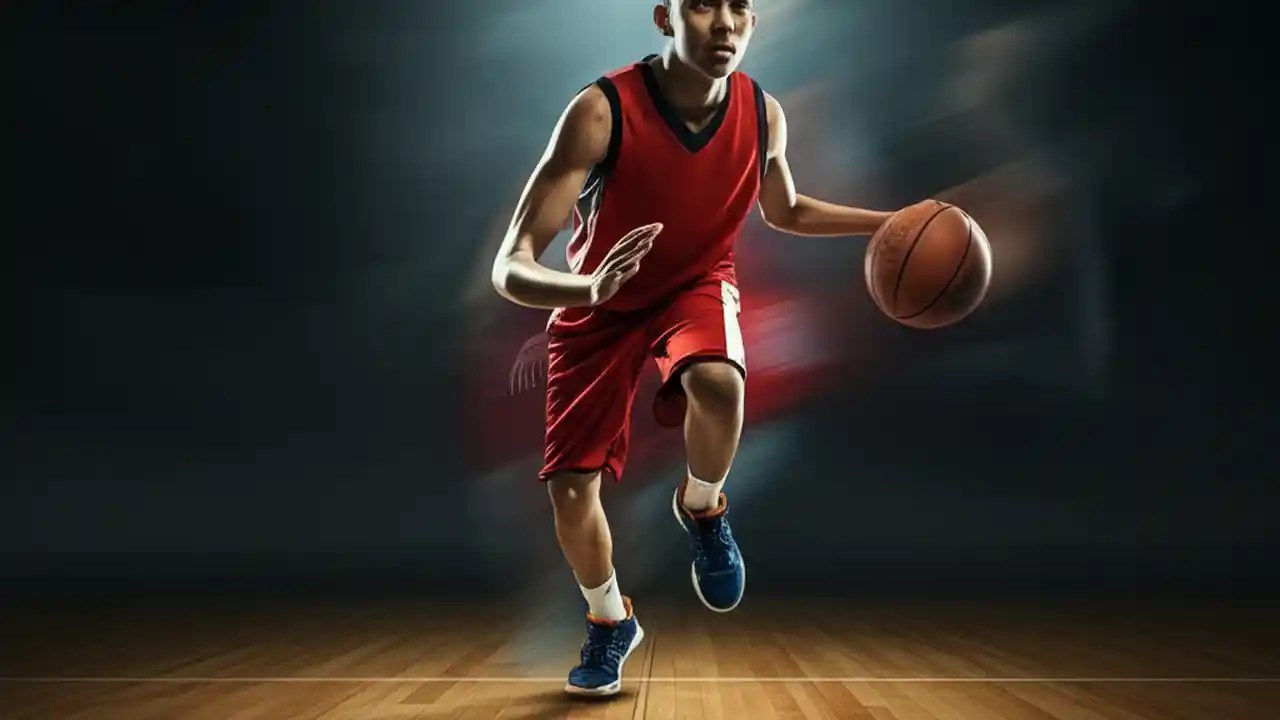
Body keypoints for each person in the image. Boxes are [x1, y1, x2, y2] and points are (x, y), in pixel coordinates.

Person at [490, 0, 900, 697]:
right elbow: (510, 264)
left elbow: (788, 209)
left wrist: (890, 223)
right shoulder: (598, 112)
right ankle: (610, 619)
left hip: (695, 287)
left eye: (739, 7)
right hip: (599, 300)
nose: (725, 24)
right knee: (568, 494)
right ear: (663, 17)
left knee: (721, 382)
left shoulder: (764, 113)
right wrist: (586, 290)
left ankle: (703, 506)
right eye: (704, 6)